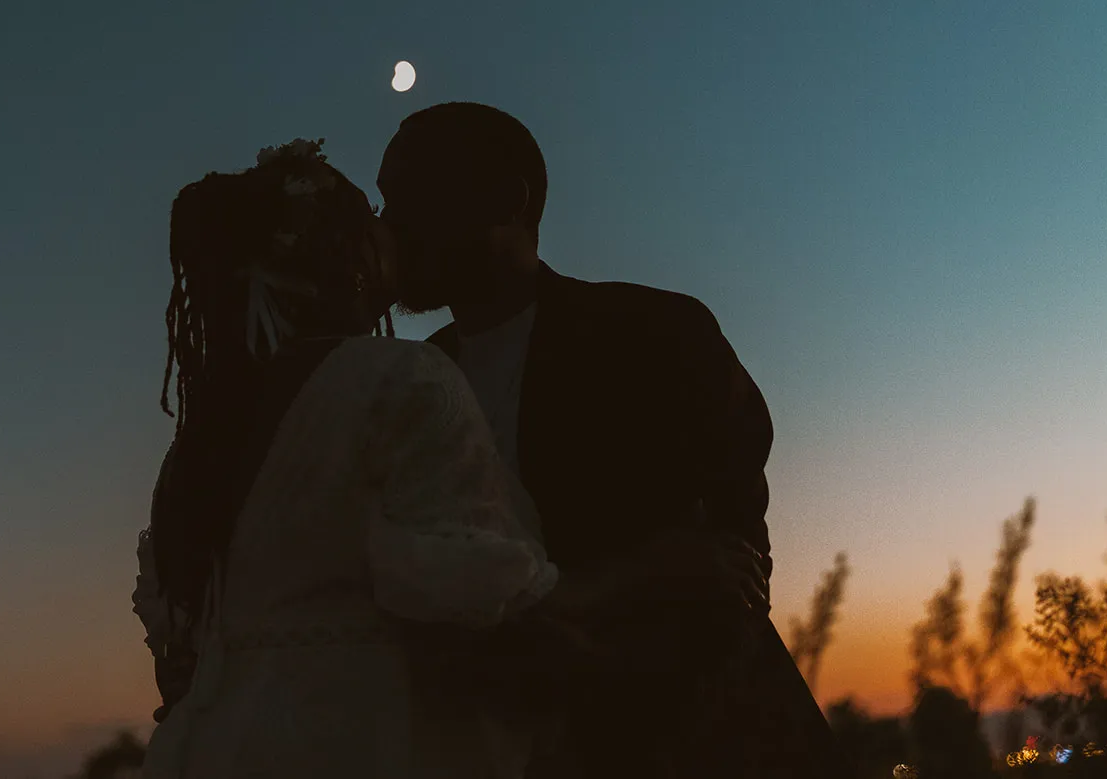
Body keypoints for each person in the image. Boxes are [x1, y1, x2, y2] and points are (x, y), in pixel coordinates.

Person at [131, 138, 634, 779]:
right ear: (342, 257)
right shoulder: (397, 378)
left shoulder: (193, 452)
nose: (389, 234)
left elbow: (178, 673)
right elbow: (479, 608)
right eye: (372, 222)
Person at [377, 101, 843, 777]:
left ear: (510, 200)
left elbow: (732, 566)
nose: (388, 225)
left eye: (410, 196)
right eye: (386, 201)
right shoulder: (412, 384)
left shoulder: (657, 332)